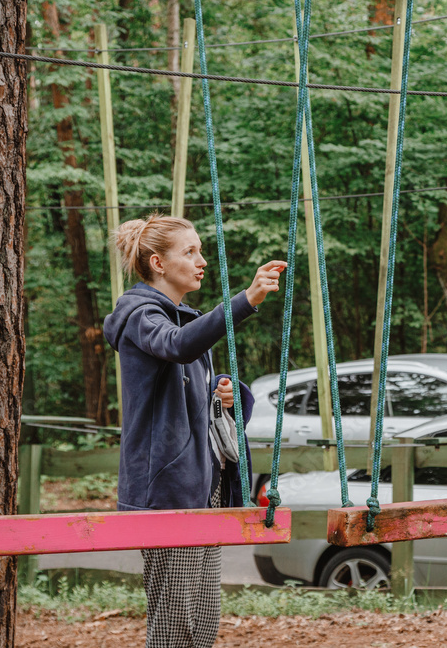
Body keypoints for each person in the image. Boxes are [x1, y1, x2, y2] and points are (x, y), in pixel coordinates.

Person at [103, 213, 286, 647]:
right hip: (168, 490)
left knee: (202, 621)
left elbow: (185, 375)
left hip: (204, 484)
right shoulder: (141, 315)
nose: (201, 260)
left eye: (200, 249)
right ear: (158, 263)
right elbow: (178, 348)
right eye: (190, 251)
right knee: (174, 626)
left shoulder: (183, 316)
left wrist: (221, 392)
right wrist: (247, 298)